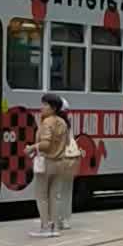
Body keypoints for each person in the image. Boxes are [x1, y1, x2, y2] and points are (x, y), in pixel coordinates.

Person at [31, 93, 70, 238]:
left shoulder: (47, 122)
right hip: (60, 162)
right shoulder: (63, 123)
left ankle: (45, 226)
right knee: (55, 196)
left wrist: (32, 147)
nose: (42, 108)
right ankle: (54, 227)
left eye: (44, 105)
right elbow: (66, 143)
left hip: (46, 162)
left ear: (53, 107)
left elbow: (46, 144)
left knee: (41, 196)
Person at [52, 95, 80, 231]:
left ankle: (56, 219)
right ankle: (65, 220)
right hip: (70, 160)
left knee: (55, 191)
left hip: (57, 159)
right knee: (67, 191)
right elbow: (71, 141)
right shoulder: (68, 124)